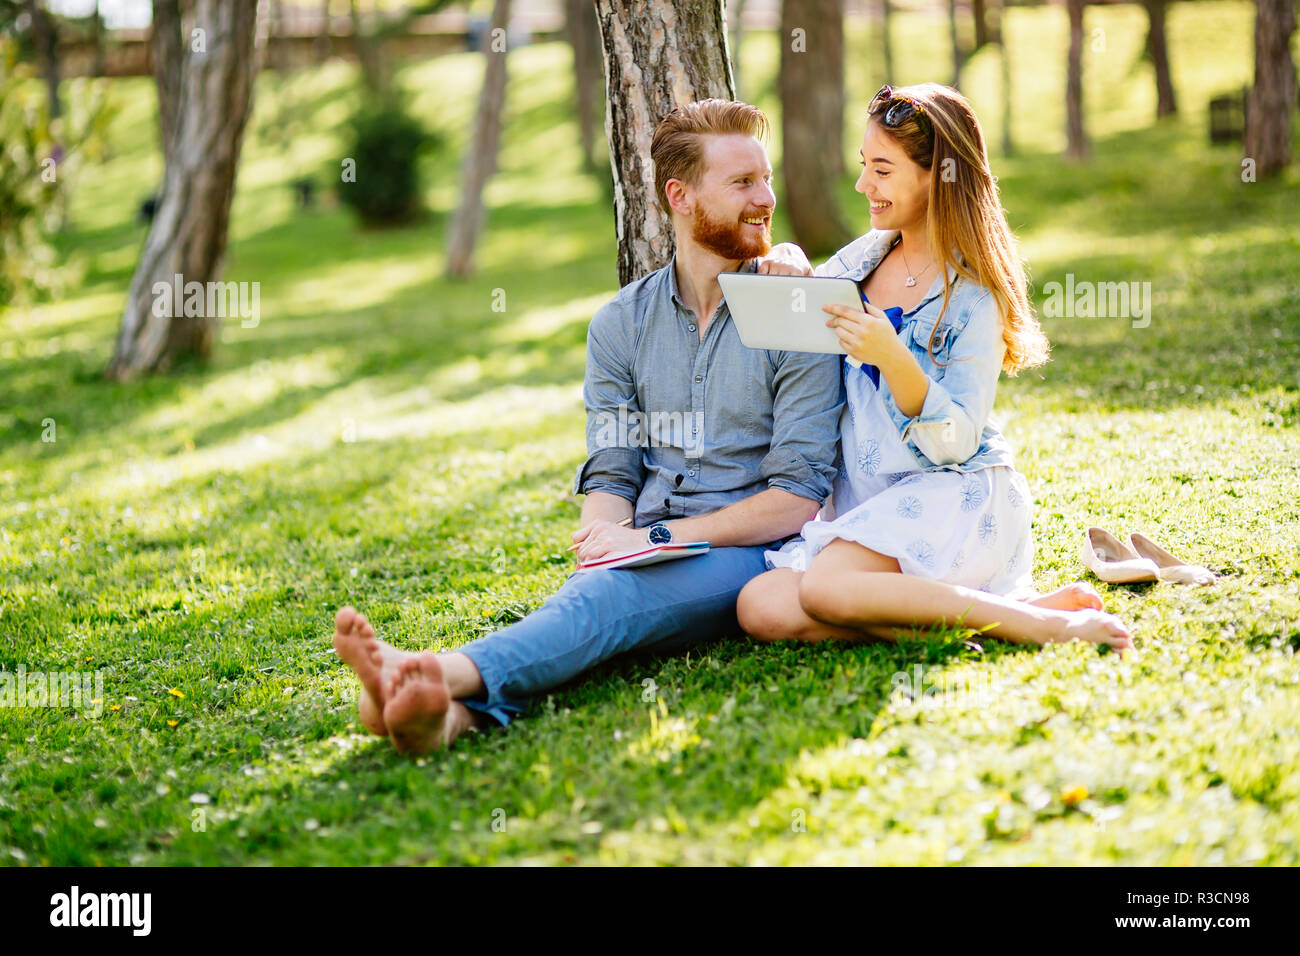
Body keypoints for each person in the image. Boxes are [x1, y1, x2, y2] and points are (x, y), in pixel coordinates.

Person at [333, 99, 844, 754]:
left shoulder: (796, 309)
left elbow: (797, 497)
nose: (766, 198)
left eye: (765, 179)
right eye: (742, 183)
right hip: (647, 543)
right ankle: (443, 721)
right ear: (680, 196)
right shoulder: (620, 324)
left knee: (604, 608)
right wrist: (604, 537)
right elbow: (614, 466)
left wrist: (655, 537)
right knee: (598, 603)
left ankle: (435, 669)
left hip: (751, 551)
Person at [736, 83, 1135, 655]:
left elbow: (956, 442)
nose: (862, 185)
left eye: (882, 170)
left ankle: (1044, 628)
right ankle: (994, 614)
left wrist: (894, 359)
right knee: (761, 604)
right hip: (870, 509)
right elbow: (801, 308)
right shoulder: (863, 257)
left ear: (937, 176)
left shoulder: (975, 297)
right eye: (862, 166)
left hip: (954, 495)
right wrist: (786, 261)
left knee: (825, 587)